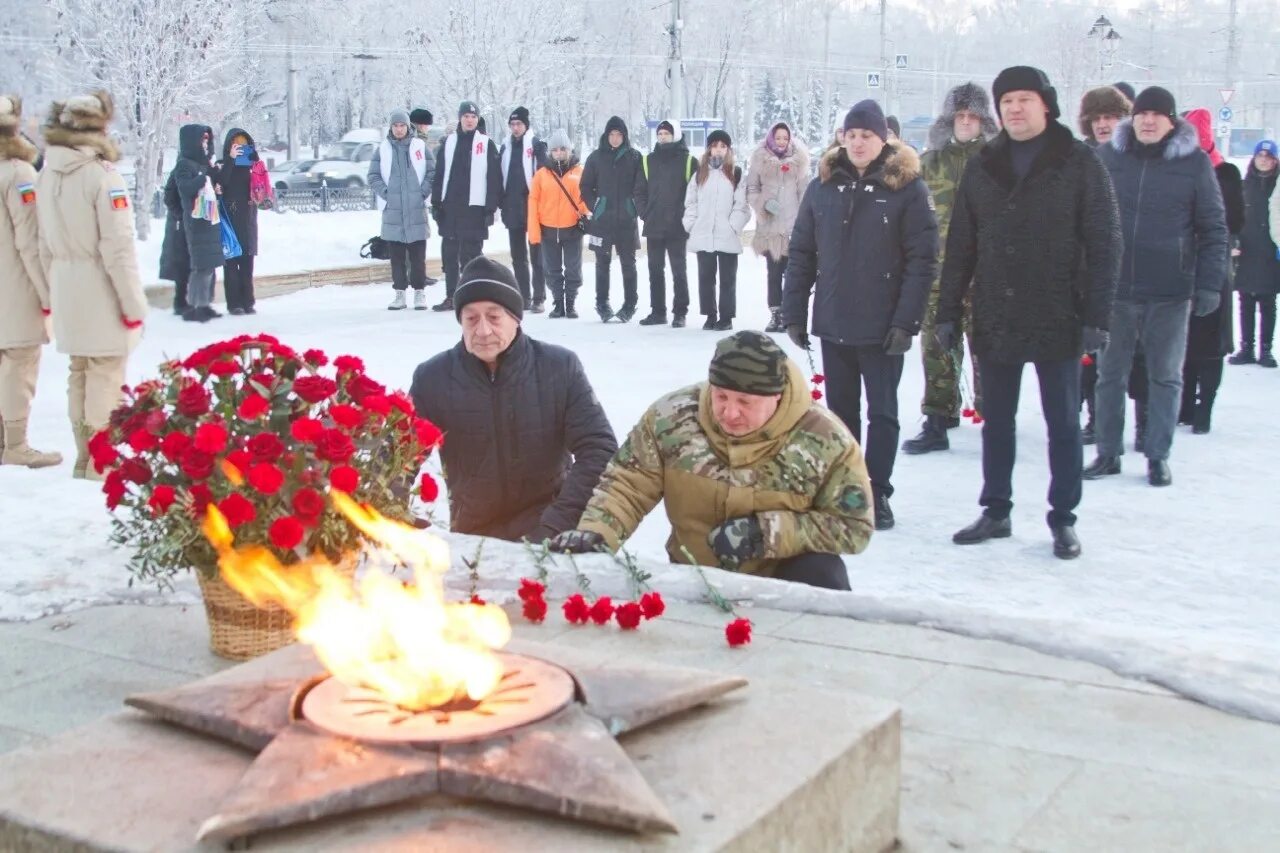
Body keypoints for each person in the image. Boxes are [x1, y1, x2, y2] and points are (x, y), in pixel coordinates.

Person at [937, 66, 1122, 559]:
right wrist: (947, 311)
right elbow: (961, 243)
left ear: (1046, 104)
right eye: (1006, 102)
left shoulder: (1079, 162)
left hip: (1060, 311)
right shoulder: (985, 163)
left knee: (1062, 422)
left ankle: (1063, 517)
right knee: (996, 419)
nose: (1014, 109)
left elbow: (1104, 242)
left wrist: (1097, 315)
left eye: (1023, 99)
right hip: (996, 310)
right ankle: (996, 510)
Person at [548, 331, 874, 591]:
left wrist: (768, 533)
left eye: (745, 402)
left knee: (824, 572)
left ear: (777, 396)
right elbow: (627, 485)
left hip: (780, 581)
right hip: (695, 577)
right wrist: (597, 534)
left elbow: (853, 526)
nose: (730, 412)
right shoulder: (672, 417)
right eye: (721, 396)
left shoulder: (825, 439)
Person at [783, 100, 938, 531]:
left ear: (883, 138)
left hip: (883, 324)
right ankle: (847, 488)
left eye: (866, 135)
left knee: (883, 413)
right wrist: (794, 308)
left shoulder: (907, 188)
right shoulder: (823, 187)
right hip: (835, 320)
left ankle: (877, 490)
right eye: (851, 135)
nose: (857, 143)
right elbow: (802, 252)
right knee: (841, 413)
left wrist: (906, 322)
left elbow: (922, 260)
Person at [409, 257, 617, 541]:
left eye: (494, 317)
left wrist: (557, 522)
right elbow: (399, 456)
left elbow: (598, 449)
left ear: (515, 318)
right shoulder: (433, 378)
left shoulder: (558, 367)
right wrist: (393, 510)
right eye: (471, 318)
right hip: (475, 536)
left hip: (553, 530)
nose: (482, 331)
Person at [1086, 87, 1228, 488]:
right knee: (1109, 375)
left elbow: (1213, 228)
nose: (1148, 121)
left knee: (1165, 376)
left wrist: (1209, 285)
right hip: (1116, 289)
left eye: (1157, 115)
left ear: (1171, 121)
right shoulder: (1109, 158)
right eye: (1142, 114)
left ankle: (1157, 455)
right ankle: (1107, 452)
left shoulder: (1194, 162)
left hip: (1170, 290)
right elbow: (1086, 221)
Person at [37, 90, 148, 479]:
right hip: (100, 288)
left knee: (79, 372)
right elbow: (117, 250)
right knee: (106, 375)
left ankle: (84, 455)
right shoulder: (104, 177)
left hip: (65, 285)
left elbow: (40, 245)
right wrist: (134, 306)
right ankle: (102, 462)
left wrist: (48, 294)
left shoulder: (46, 174)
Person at [902, 82, 998, 456]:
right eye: (960, 116)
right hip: (939, 270)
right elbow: (912, 217)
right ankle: (939, 417)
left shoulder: (997, 163)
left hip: (985, 272)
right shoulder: (930, 162)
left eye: (973, 116)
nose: (966, 123)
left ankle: (994, 417)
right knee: (938, 344)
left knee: (985, 348)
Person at [1075, 85, 1144, 445]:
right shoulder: (1079, 158)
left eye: (1111, 117)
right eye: (1097, 118)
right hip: (1087, 268)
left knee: (1136, 356)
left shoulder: (1135, 157)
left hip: (1132, 266)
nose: (1103, 124)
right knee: (1091, 356)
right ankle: (1095, 418)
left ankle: (1145, 423)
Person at [0, 93, 60, 468]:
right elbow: (29, 240)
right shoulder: (18, 172)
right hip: (14, 285)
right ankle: (16, 444)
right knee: (20, 362)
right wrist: (48, 291)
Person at [1179, 108, 1244, 433]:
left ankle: (1198, 407)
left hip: (1205, 266)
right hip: (1196, 267)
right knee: (1196, 342)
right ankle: (1192, 406)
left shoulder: (1220, 173)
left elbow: (1233, 222)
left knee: (1204, 341)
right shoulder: (1217, 172)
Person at [430, 101, 501, 312]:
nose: (469, 120)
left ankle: (473, 296)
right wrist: (436, 203)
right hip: (451, 208)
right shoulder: (449, 143)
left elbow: (494, 179)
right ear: (460, 118)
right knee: (450, 255)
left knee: (472, 256)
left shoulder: (486, 144)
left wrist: (490, 208)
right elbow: (440, 174)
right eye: (466, 116)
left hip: (474, 211)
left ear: (477, 119)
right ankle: (451, 296)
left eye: (473, 116)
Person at [580, 116, 647, 323]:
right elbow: (585, 187)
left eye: (619, 135)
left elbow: (641, 187)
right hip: (602, 221)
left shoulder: (635, 157)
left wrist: (633, 207)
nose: (615, 138)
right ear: (606, 135)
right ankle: (602, 303)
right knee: (602, 263)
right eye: (612, 134)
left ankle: (629, 304)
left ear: (624, 136)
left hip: (627, 220)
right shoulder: (595, 158)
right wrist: (596, 206)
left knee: (628, 263)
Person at [683, 129, 749, 332]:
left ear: (728, 150)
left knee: (727, 279)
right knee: (706, 277)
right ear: (709, 149)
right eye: (714, 146)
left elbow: (742, 205)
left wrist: (733, 225)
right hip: (703, 232)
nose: (718, 150)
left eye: (723, 146)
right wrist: (691, 224)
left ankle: (726, 317)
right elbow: (691, 202)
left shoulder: (735, 173)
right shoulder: (699, 175)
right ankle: (710, 315)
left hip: (726, 233)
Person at [746, 121, 809, 334]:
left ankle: (791, 314)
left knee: (793, 274)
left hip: (793, 226)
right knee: (773, 273)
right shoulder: (759, 159)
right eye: (778, 138)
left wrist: (804, 219)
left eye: (785, 138)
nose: (781, 142)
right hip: (770, 227)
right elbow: (752, 188)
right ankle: (775, 313)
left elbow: (804, 192)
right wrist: (763, 204)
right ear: (772, 138)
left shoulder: (799, 162)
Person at [369, 108, 434, 311]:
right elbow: (373, 176)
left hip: (416, 210)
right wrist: (386, 194)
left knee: (417, 258)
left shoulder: (420, 147)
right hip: (393, 212)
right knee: (396, 258)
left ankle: (419, 292)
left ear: (408, 127)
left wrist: (422, 192)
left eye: (402, 125)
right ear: (391, 127)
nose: (399, 129)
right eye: (395, 126)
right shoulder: (383, 149)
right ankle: (399, 293)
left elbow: (432, 172)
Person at [638, 119, 697, 327]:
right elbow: (639, 191)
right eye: (660, 134)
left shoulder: (689, 161)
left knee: (678, 270)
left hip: (677, 226)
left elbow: (694, 193)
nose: (663, 137)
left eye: (667, 134)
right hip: (654, 224)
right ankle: (658, 311)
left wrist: (686, 217)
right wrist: (644, 212)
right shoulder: (648, 160)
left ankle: (680, 312)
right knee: (655, 269)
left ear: (676, 135)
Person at [527, 129, 587, 319]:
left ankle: (570, 303)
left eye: (563, 149)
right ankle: (558, 303)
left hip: (572, 229)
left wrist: (585, 215)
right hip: (548, 229)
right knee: (551, 269)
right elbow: (533, 202)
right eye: (555, 150)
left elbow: (586, 198)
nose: (559, 153)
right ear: (550, 152)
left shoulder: (580, 172)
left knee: (573, 268)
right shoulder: (542, 174)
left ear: (569, 150)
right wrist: (534, 231)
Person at [1231, 140, 1279, 368]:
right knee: (1245, 300)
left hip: (1270, 251)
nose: (1263, 160)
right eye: (1260, 155)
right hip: (1246, 249)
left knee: (1268, 301)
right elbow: (1232, 215)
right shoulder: (1244, 185)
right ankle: (1246, 347)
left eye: (1268, 157)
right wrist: (1233, 241)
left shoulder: (1276, 186)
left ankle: (1266, 349)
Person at [171, 124, 224, 323]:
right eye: (201, 140)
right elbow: (184, 188)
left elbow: (213, 180)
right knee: (201, 266)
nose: (204, 143)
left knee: (210, 265)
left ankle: (205, 303)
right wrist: (203, 178)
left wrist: (213, 173)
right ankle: (195, 305)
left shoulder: (202, 163)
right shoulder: (184, 164)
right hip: (196, 219)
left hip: (209, 218)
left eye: (206, 140)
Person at [499, 106, 548, 312]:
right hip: (512, 207)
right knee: (518, 257)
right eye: (512, 124)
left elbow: (543, 175)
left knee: (537, 256)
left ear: (526, 125)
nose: (515, 128)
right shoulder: (506, 147)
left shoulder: (536, 146)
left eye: (519, 124)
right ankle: (523, 296)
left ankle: (539, 297)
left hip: (532, 207)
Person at [212, 127, 261, 315]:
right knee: (231, 262)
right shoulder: (222, 164)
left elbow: (261, 184)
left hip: (248, 217)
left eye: (244, 144)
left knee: (248, 261)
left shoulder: (252, 165)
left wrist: (254, 157)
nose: (241, 148)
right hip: (231, 218)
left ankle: (248, 301)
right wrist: (231, 159)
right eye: (236, 144)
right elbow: (221, 182)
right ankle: (234, 303)